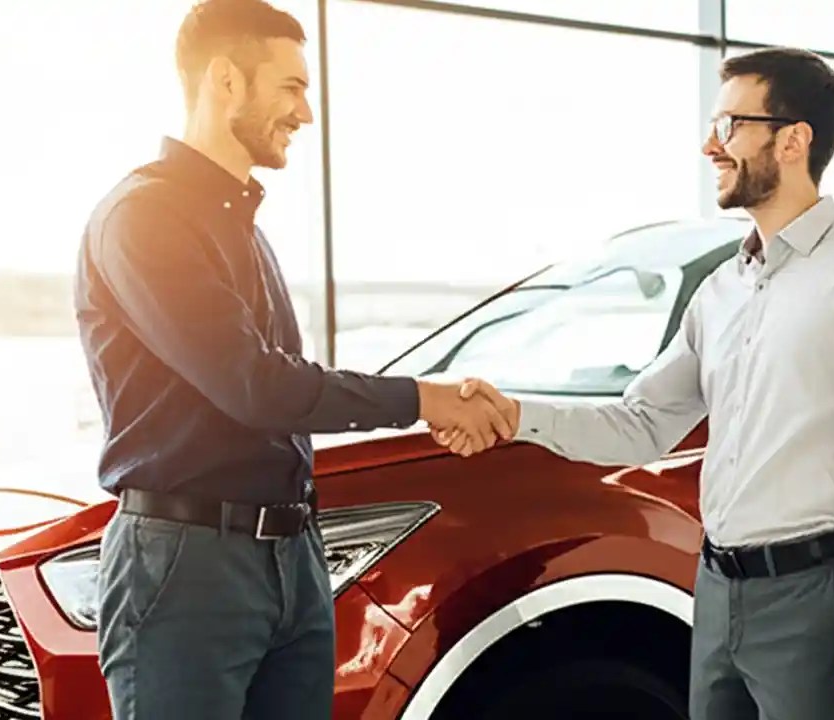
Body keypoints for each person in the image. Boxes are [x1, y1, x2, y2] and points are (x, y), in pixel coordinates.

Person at [436, 47, 834, 720]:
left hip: (817, 593)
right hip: (716, 589)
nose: (710, 144)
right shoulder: (721, 291)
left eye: (732, 124)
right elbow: (642, 422)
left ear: (794, 139)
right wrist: (514, 413)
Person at [73, 1, 511, 717]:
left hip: (291, 556)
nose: (305, 114)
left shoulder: (240, 226)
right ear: (225, 81)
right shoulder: (144, 218)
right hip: (190, 567)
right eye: (291, 87)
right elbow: (256, 386)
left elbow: (276, 392)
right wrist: (426, 401)